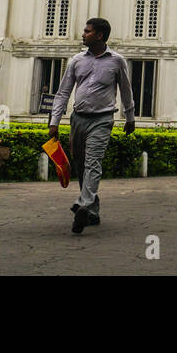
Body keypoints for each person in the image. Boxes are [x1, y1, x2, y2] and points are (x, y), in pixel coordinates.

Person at [49, 18, 135, 233]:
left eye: (87, 31)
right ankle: (92, 212)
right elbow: (63, 92)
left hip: (102, 119)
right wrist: (54, 121)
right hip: (78, 118)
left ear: (99, 35)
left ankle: (83, 204)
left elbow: (125, 91)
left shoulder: (117, 61)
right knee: (80, 164)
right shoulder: (76, 60)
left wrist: (131, 117)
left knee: (93, 161)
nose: (83, 34)